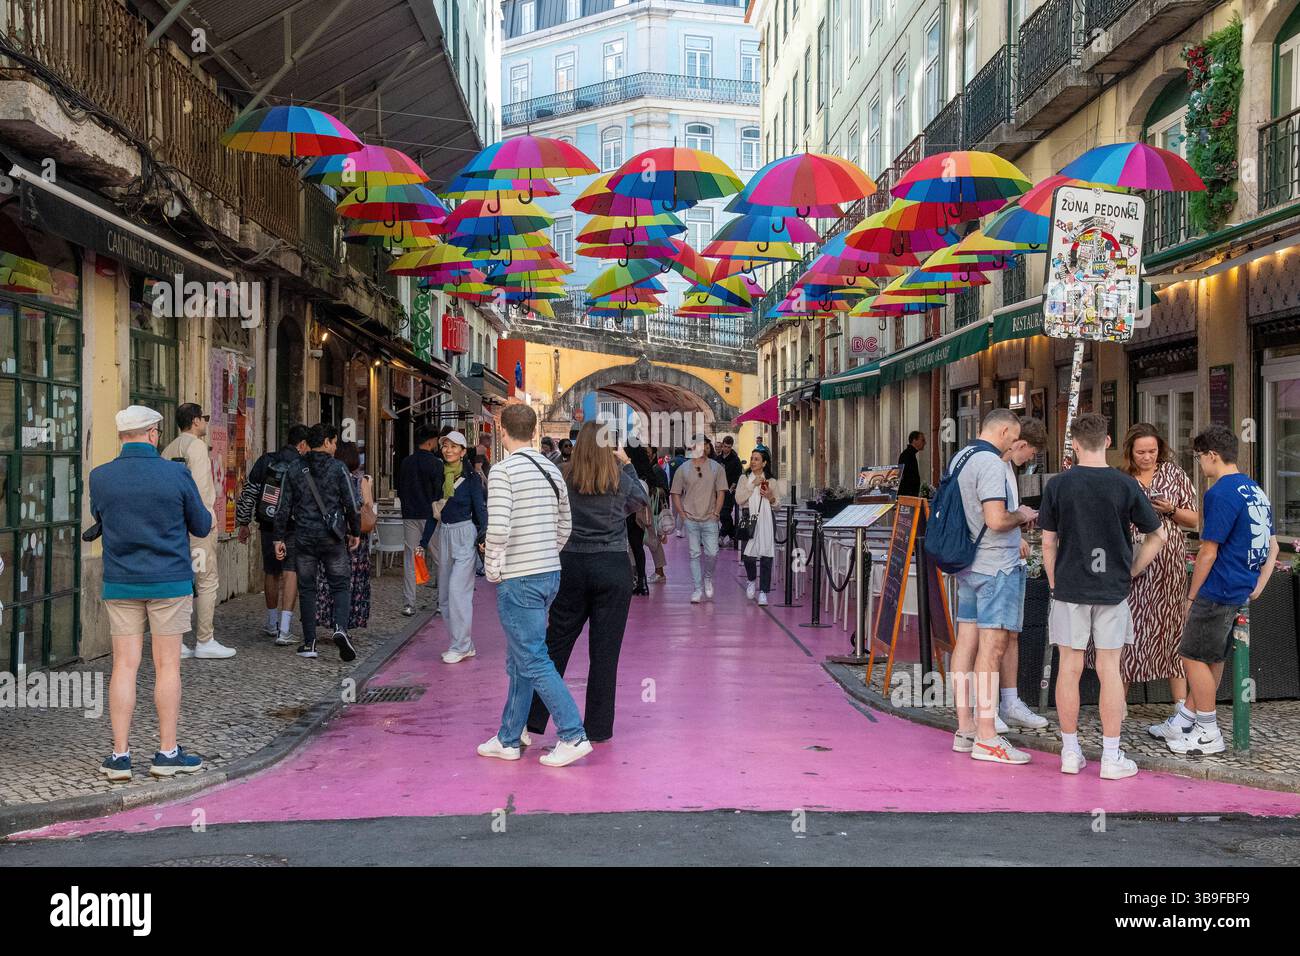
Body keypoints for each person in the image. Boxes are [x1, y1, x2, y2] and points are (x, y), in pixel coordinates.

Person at [1039, 412, 1166, 779]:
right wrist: (1133, 569)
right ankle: (1111, 757)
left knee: (1070, 668)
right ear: (1108, 442)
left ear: (1075, 444)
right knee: (1111, 670)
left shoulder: (1058, 486)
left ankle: (1069, 751)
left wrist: (1053, 581)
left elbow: (1048, 542)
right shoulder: (1125, 486)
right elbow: (1158, 535)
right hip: (1112, 589)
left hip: (1070, 588)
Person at [92, 406, 212, 782]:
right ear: (154, 433)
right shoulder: (176, 473)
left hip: (122, 581)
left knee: (124, 666)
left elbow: (101, 517)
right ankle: (166, 752)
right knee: (167, 667)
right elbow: (203, 524)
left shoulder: (101, 477)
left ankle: (120, 756)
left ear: (121, 436)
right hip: (169, 583)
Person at [478, 404, 591, 768]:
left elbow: (497, 529)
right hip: (548, 573)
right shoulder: (552, 470)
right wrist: (547, 552)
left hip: (519, 575)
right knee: (520, 658)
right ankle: (510, 735)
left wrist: (493, 569)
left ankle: (573, 734)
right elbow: (565, 525)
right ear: (534, 429)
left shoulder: (503, 472)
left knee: (532, 658)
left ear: (502, 429)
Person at [526, 422, 647, 743]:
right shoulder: (618, 478)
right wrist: (628, 464)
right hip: (612, 566)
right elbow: (642, 499)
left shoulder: (564, 475)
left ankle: (534, 719)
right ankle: (598, 727)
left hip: (572, 564)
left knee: (555, 646)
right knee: (605, 654)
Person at [1165, 425, 1279, 757]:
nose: (1200, 464)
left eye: (1200, 457)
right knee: (1211, 656)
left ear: (1212, 455)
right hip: (1241, 585)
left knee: (1191, 656)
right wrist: (1259, 583)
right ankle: (1186, 720)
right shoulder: (1255, 488)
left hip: (1218, 586)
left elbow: (1208, 551)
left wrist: (1190, 596)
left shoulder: (1219, 492)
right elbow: (1272, 546)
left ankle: (1207, 730)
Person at [946, 409, 1040, 765]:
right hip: (995, 566)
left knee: (965, 643)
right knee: (993, 646)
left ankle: (965, 728)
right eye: (1011, 437)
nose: (1011, 444)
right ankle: (988, 736)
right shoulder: (990, 463)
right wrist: (1023, 514)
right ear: (1003, 432)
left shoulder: (961, 456)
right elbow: (997, 519)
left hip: (967, 563)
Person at [1102, 425, 1198, 738]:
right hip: (1130, 562)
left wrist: (1171, 510)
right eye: (1141, 452)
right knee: (1129, 629)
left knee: (1172, 630)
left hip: (1168, 564)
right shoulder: (1119, 478)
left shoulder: (1174, 474)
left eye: (1152, 451)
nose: (1147, 457)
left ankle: (1181, 705)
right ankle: (1119, 700)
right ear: (1129, 451)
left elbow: (1195, 519)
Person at [273, 424, 362, 661]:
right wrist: (355, 531)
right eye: (333, 442)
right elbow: (351, 504)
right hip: (332, 538)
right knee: (340, 585)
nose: (335, 447)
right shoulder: (338, 468)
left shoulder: (294, 468)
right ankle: (340, 629)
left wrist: (278, 538)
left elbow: (282, 507)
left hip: (304, 537)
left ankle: (309, 642)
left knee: (307, 588)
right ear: (326, 442)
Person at [161, 403, 235, 660]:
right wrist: (207, 520)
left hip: (173, 527)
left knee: (178, 582)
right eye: (204, 418)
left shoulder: (168, 448)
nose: (206, 422)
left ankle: (176, 641)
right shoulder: (197, 448)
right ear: (194, 421)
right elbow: (202, 490)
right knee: (206, 582)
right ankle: (205, 639)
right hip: (196, 526)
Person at [995, 417, 1051, 731]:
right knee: (994, 635)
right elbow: (993, 516)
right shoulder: (995, 467)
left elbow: (1008, 513)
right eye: (1030, 454)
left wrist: (1020, 521)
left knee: (1011, 633)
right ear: (1020, 443)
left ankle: (1010, 700)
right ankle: (990, 706)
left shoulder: (1008, 470)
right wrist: (1017, 523)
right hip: (996, 564)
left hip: (1010, 562)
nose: (1029, 460)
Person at [236, 423, 310, 645]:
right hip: (294, 526)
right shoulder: (303, 465)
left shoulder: (266, 461)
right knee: (291, 572)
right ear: (303, 444)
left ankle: (271, 622)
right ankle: (285, 629)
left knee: (271, 571)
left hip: (268, 524)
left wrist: (243, 522)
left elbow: (249, 492)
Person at [436, 430, 488, 664]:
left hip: (465, 533)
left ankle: (461, 645)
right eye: (445, 445)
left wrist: (484, 534)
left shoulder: (472, 478)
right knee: (445, 596)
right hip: (444, 533)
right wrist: (422, 541)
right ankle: (462, 642)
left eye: (454, 446)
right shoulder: (439, 475)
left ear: (463, 451)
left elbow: (480, 508)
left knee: (459, 592)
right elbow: (433, 509)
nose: (449, 450)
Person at [315, 441, 372, 634]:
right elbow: (368, 508)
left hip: (333, 535)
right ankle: (344, 624)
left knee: (330, 579)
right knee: (352, 580)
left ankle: (329, 618)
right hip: (355, 538)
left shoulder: (328, 478)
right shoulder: (360, 481)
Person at [671, 439, 728, 604]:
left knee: (712, 553)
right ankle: (697, 588)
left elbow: (721, 492)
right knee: (694, 554)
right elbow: (675, 492)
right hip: (691, 518)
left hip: (710, 518)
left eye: (705, 445)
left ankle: (708, 577)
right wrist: (682, 515)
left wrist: (716, 513)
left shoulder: (716, 468)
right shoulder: (683, 469)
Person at [396, 424, 444, 617]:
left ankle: (409, 603)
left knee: (410, 558)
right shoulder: (436, 464)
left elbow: (400, 488)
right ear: (432, 441)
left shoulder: (406, 462)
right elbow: (439, 492)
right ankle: (441, 601)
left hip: (410, 515)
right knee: (439, 558)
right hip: (430, 516)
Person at [735, 447, 783, 605]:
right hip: (750, 518)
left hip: (767, 519)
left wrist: (770, 498)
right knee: (748, 556)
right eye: (752, 458)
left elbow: (778, 505)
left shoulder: (772, 481)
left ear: (764, 463)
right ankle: (751, 580)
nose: (753, 461)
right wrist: (751, 486)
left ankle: (763, 591)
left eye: (757, 459)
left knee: (766, 555)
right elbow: (739, 499)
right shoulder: (744, 478)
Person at [628, 444, 668, 585]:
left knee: (633, 543)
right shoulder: (650, 470)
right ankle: (659, 571)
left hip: (632, 510)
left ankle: (635, 574)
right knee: (652, 539)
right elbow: (659, 488)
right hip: (648, 510)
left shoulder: (628, 469)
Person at [716, 436, 744, 547]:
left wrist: (732, 487)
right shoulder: (718, 459)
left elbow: (738, 475)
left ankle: (722, 535)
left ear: (731, 447)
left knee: (725, 513)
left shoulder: (735, 460)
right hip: (718, 490)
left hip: (729, 492)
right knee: (720, 514)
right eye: (725, 446)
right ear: (722, 445)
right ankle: (733, 535)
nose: (726, 449)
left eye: (729, 447)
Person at [897, 430, 926, 498]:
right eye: (922, 440)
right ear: (914, 440)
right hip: (907, 495)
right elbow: (905, 477)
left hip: (909, 495)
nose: (925, 443)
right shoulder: (907, 455)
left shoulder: (909, 454)